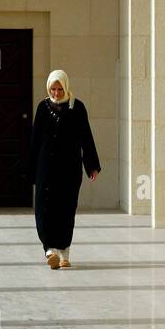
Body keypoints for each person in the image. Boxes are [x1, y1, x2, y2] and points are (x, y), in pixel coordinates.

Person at [26, 69, 101, 269]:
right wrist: (31, 170)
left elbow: (86, 137)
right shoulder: (43, 108)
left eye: (60, 89)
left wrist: (92, 165)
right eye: (53, 89)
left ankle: (64, 252)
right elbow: (35, 141)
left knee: (65, 210)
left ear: (66, 87)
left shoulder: (77, 108)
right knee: (44, 208)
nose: (56, 93)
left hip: (69, 169)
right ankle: (49, 249)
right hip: (45, 169)